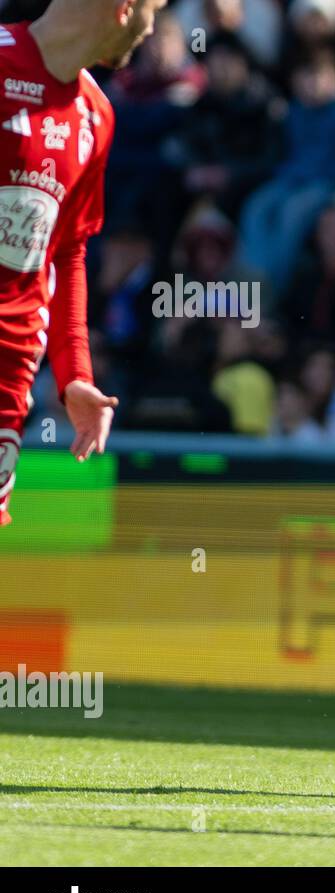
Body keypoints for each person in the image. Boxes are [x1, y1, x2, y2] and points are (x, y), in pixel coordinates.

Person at [0, 0, 169, 525]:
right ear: (124, 7)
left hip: (10, 375)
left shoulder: (97, 116)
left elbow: (69, 250)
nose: (152, 28)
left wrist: (74, 373)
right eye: (155, 9)